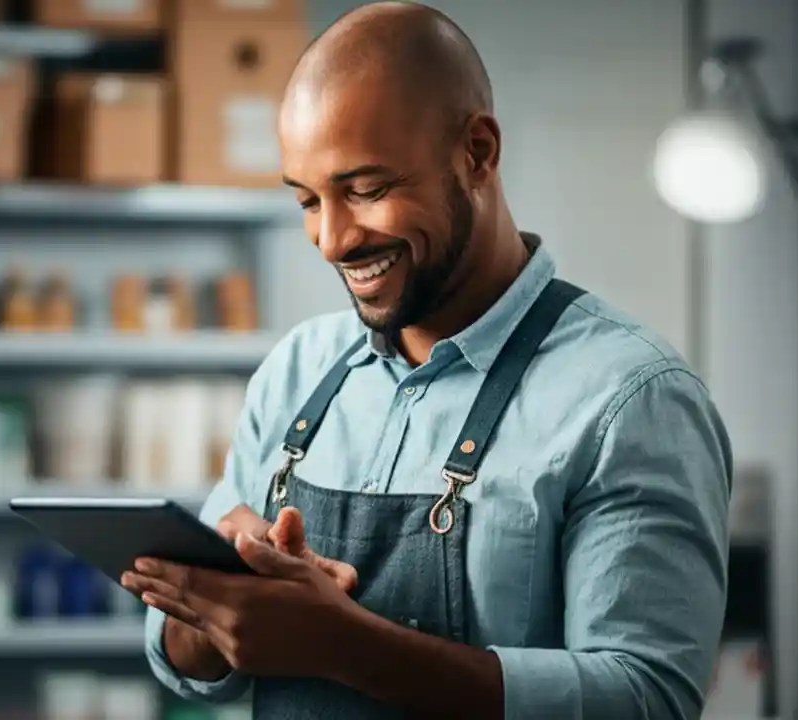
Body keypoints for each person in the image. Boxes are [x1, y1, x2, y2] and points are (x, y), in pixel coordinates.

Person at [119, 2, 732, 718]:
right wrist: (212, 605)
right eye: (309, 201)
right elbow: (179, 658)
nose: (332, 240)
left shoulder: (628, 397)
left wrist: (343, 645)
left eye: (367, 190)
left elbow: (646, 699)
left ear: (477, 152)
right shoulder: (299, 369)